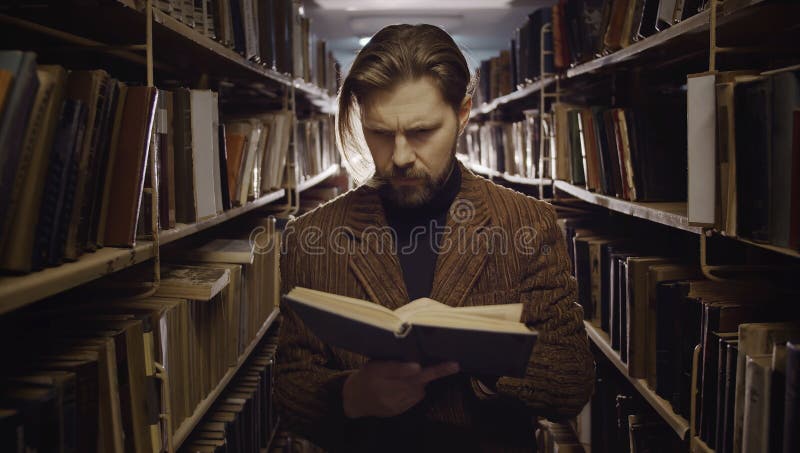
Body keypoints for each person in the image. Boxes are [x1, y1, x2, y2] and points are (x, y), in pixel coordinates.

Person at [275, 24, 594, 452]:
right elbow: (289, 388)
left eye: (422, 131)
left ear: (462, 114)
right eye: (381, 133)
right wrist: (350, 395)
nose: (401, 156)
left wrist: (479, 352)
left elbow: (572, 382)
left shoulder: (527, 224)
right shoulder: (311, 237)